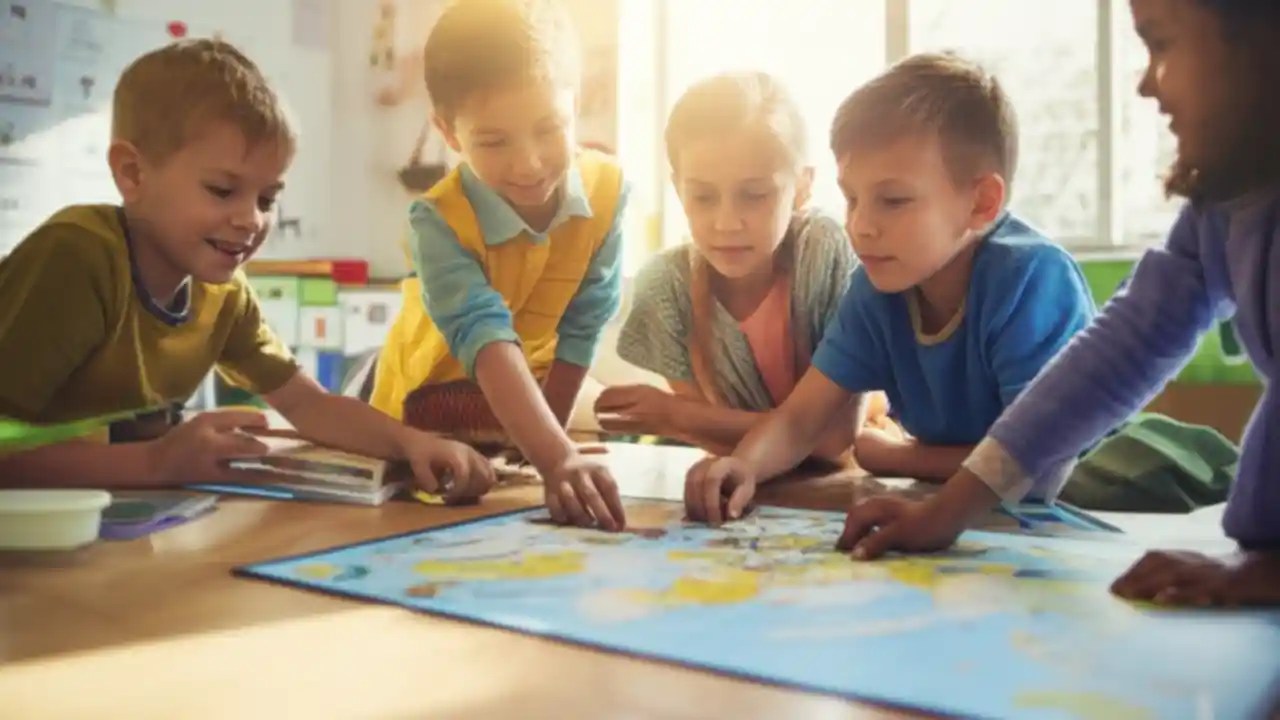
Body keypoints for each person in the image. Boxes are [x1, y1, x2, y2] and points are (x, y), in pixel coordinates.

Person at [837, 0, 1280, 608]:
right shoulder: (1227, 202)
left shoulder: (1025, 272)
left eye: (1161, 44)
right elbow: (1127, 344)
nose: (1146, 83)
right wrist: (949, 511)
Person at [0, 39, 494, 501]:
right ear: (132, 173)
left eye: (267, 197)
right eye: (222, 190)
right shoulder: (78, 258)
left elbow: (307, 405)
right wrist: (155, 463)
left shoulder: (223, 296)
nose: (251, 219)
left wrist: (412, 444)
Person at [683, 53, 1093, 524]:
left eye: (893, 201)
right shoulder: (877, 290)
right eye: (851, 198)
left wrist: (900, 458)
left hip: (1107, 488)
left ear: (981, 203)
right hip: (977, 504)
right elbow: (799, 420)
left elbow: (1040, 466)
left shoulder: (1031, 281)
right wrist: (743, 465)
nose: (860, 226)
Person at [368, 0, 628, 530]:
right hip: (422, 417)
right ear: (447, 133)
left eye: (549, 128)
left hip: (522, 411)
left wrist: (548, 445)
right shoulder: (436, 223)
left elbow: (585, 321)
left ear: (576, 105)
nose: (528, 163)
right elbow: (484, 337)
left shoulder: (609, 190)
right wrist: (555, 456)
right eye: (493, 141)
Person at [598, 71, 895, 461]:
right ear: (678, 189)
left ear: (802, 186)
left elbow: (833, 440)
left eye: (753, 195)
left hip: (853, 473)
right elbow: (714, 440)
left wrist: (677, 415)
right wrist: (689, 420)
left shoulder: (822, 250)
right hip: (744, 479)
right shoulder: (666, 286)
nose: (726, 223)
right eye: (703, 197)